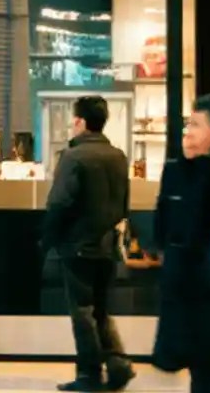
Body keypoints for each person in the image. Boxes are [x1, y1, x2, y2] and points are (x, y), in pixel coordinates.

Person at [42, 95, 134, 392]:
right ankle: (118, 364)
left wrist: (49, 238)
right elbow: (123, 204)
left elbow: (59, 202)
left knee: (82, 311)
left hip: (78, 245)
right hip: (108, 245)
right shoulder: (118, 156)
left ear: (80, 121)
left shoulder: (73, 157)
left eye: (73, 119)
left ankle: (89, 374)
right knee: (101, 309)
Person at [152, 94, 210, 393]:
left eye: (197, 125)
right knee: (202, 367)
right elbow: (163, 224)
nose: (188, 132)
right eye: (187, 124)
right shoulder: (176, 171)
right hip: (191, 288)